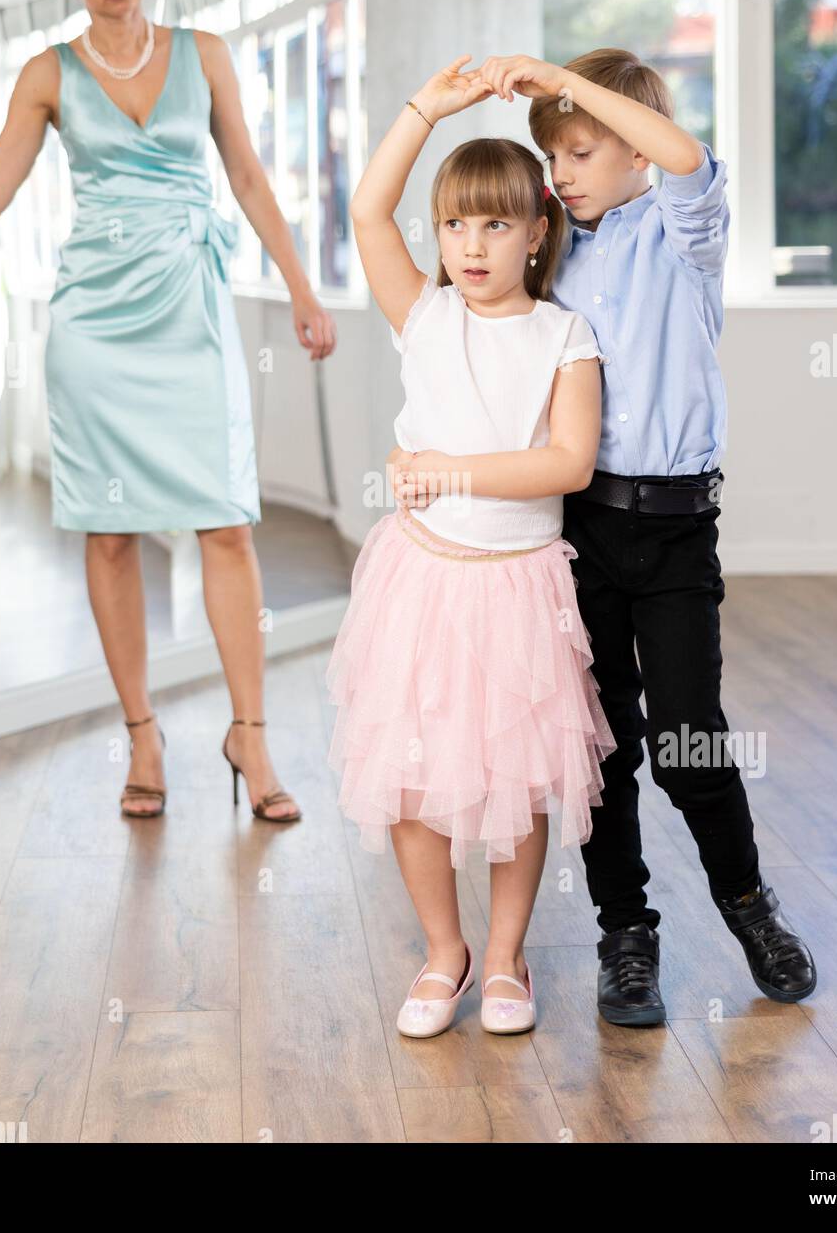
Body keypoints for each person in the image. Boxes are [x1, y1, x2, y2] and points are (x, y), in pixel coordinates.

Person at [0, 0, 334, 821]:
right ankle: (141, 736)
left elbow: (245, 173)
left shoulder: (203, 54)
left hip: (189, 318)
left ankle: (251, 736)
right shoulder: (47, 72)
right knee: (111, 534)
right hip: (93, 329)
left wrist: (300, 285)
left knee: (226, 524)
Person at [454, 48, 816, 1024]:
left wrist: (563, 81)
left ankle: (747, 904)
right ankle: (627, 932)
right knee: (600, 748)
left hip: (674, 532)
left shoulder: (681, 234)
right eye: (553, 157)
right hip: (577, 530)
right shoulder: (550, 250)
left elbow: (686, 153)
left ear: (633, 150)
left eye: (581, 150)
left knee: (687, 741)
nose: (562, 172)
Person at [326, 57, 617, 1039]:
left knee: (510, 778)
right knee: (409, 774)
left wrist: (444, 465)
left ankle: (504, 958)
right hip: (419, 578)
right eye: (455, 223)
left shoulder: (562, 333)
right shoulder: (424, 314)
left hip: (514, 585)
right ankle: (442, 951)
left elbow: (567, 464)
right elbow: (368, 212)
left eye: (497, 222)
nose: (473, 244)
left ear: (538, 233)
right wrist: (424, 109)